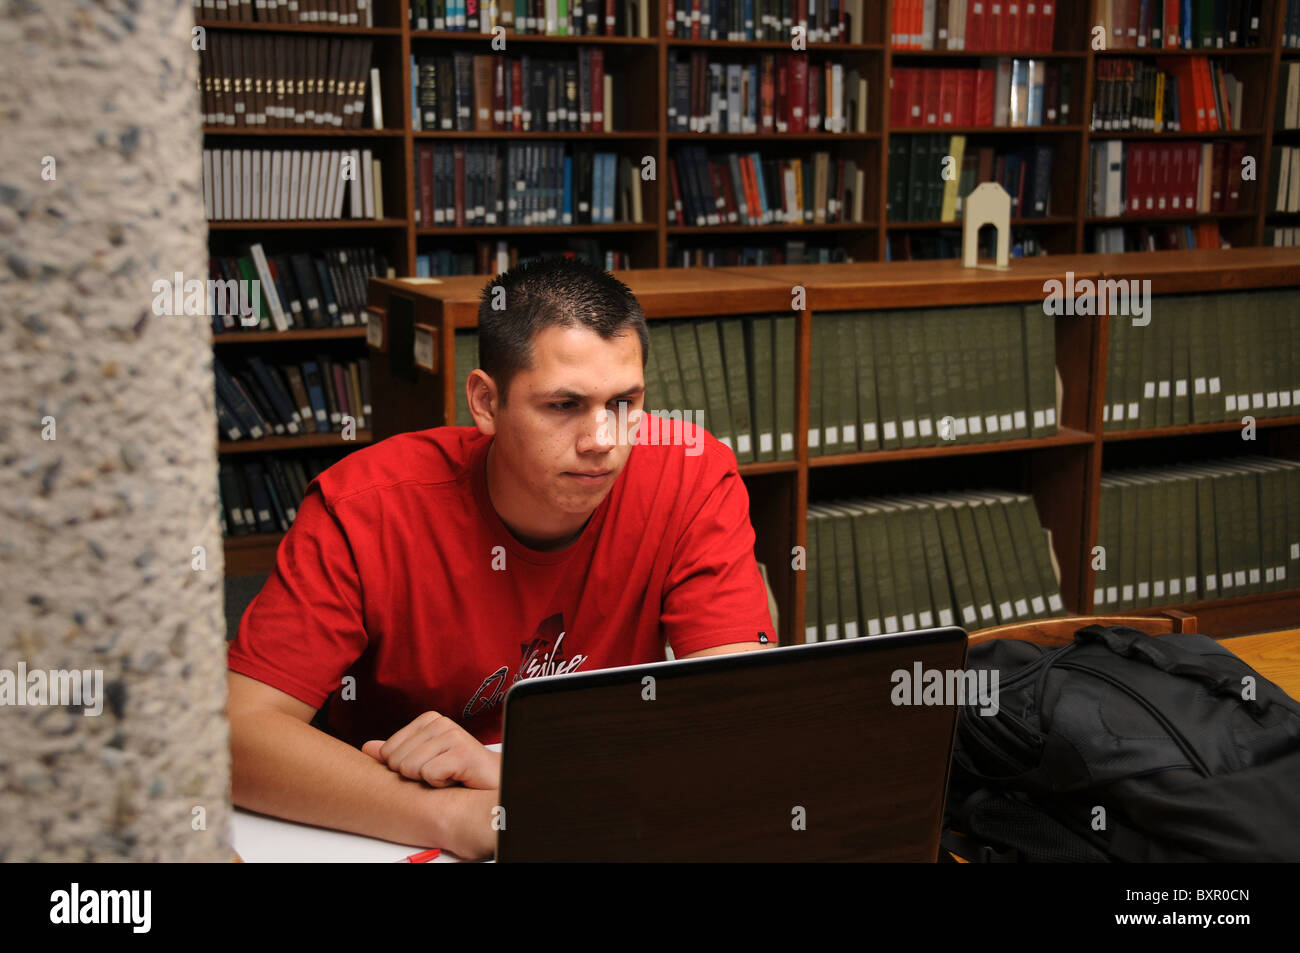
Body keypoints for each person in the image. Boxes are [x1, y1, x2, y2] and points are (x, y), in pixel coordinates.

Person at [226, 256, 776, 860]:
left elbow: (742, 720)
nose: (602, 443)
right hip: (396, 830)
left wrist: (520, 778)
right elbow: (236, 734)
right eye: (564, 406)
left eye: (624, 402)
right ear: (486, 402)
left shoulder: (691, 473)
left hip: (601, 823)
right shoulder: (364, 506)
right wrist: (445, 813)